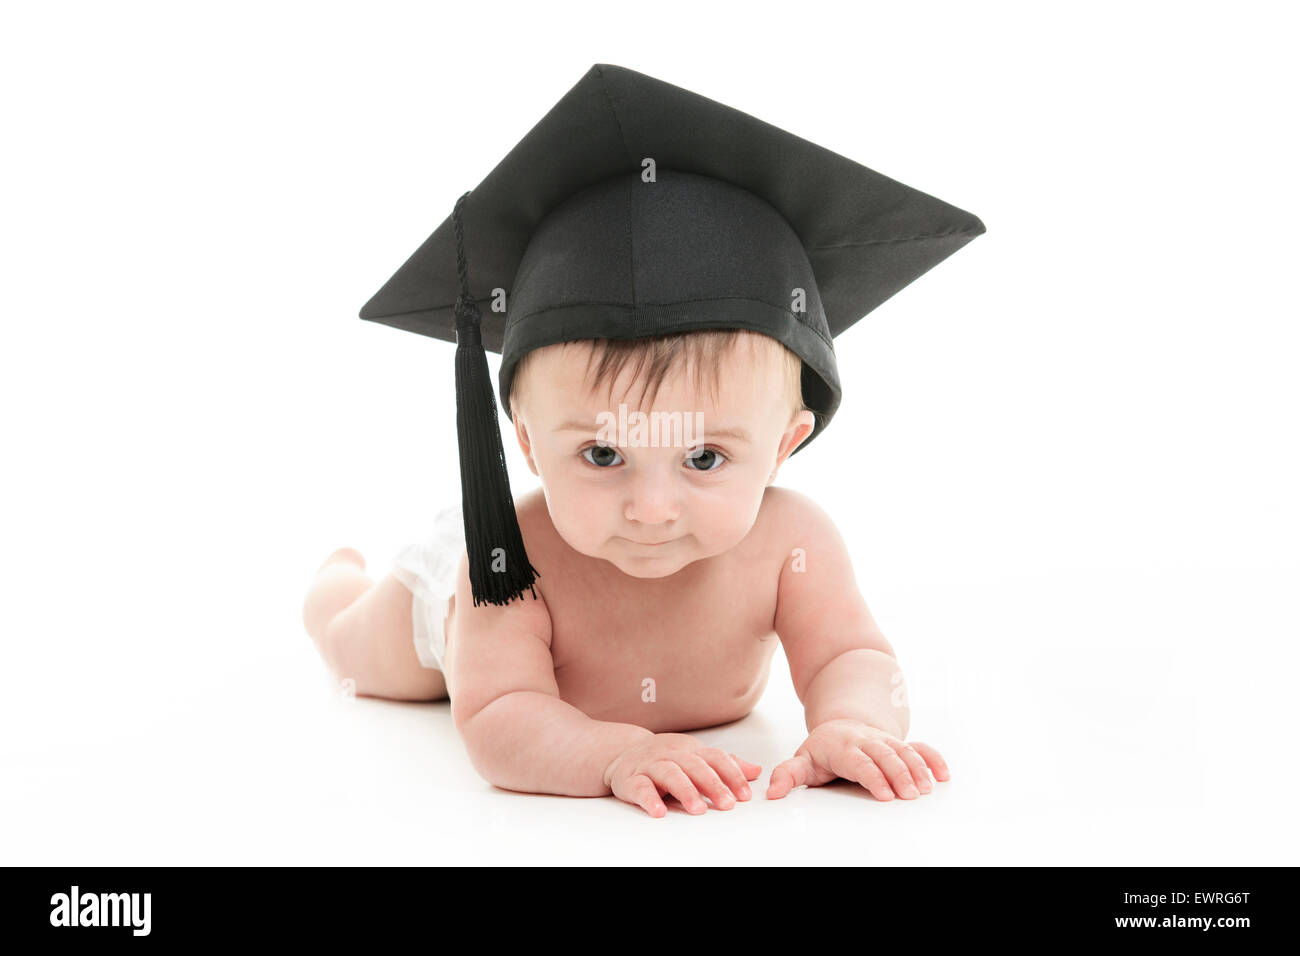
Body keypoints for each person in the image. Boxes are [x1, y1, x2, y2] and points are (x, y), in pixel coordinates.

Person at [303, 64, 984, 818]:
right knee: (358, 654)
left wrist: (854, 722)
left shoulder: (794, 546)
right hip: (445, 611)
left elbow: (850, 655)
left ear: (785, 445)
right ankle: (333, 589)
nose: (652, 509)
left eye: (704, 458)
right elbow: (498, 717)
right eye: (602, 454)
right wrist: (613, 752)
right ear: (528, 446)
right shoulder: (509, 561)